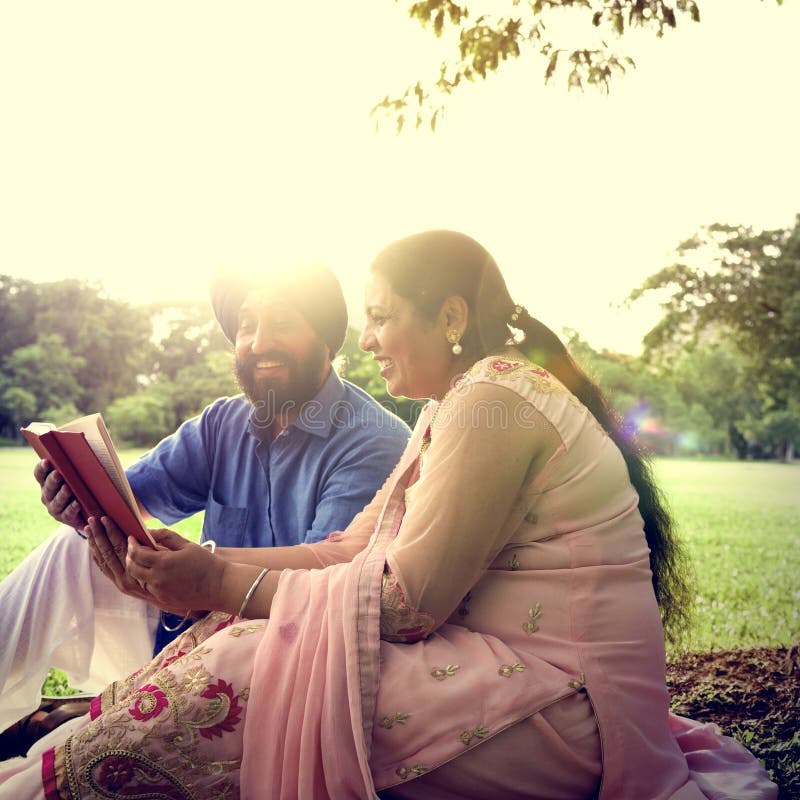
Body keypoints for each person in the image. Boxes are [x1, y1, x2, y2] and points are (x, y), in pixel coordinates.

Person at [0, 231, 777, 799]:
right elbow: (349, 547)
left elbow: (404, 604)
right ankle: (56, 762)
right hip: (503, 672)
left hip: (566, 705)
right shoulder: (462, 402)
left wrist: (217, 580)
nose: (366, 339)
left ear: (448, 316)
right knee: (233, 645)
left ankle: (53, 774)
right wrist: (197, 572)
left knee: (244, 669)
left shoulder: (496, 400)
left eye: (379, 318)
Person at [0, 262, 410, 745]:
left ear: (326, 337)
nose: (259, 344)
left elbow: (324, 592)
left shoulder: (373, 440)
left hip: (278, 659)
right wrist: (76, 498)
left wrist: (206, 578)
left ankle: (89, 715)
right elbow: (128, 498)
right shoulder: (224, 422)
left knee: (74, 742)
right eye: (246, 326)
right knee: (69, 547)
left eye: (281, 323)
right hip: (183, 623)